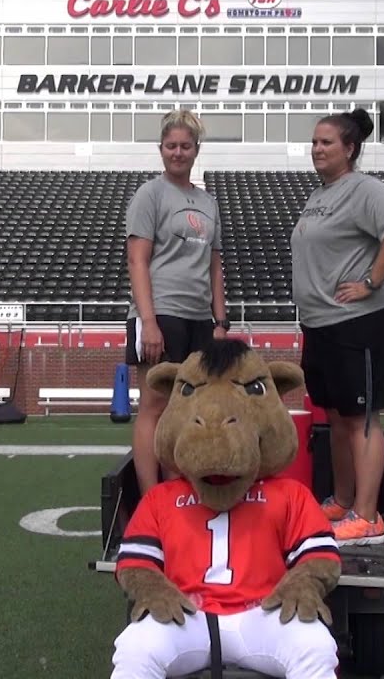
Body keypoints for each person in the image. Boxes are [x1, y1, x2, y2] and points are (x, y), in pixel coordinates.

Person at [290, 108, 384, 547]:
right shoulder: (320, 194)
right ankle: (344, 502)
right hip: (322, 324)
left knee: (363, 419)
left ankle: (368, 517)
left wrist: (370, 281)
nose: (317, 149)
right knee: (340, 420)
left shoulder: (365, 189)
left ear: (350, 148)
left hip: (360, 322)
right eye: (314, 142)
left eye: (326, 142)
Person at [124, 109, 229, 493]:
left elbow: (215, 265)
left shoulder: (208, 202)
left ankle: (178, 489)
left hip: (199, 318)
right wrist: (148, 322)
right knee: (155, 407)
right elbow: (137, 259)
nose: (178, 153)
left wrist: (220, 321)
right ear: (161, 149)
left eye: (185, 146)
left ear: (196, 150)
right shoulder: (149, 194)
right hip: (161, 313)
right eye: (171, 146)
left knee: (188, 408)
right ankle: (153, 497)